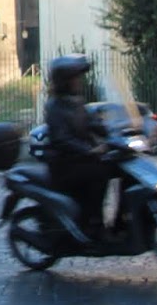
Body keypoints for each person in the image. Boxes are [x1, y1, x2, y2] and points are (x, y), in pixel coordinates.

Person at [42, 55, 114, 242]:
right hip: (64, 164)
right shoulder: (55, 106)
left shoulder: (76, 102)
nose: (79, 81)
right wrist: (89, 150)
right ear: (64, 81)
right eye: (75, 78)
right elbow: (62, 139)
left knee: (114, 166)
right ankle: (94, 224)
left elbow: (92, 123)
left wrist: (115, 132)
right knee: (100, 174)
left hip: (79, 159)